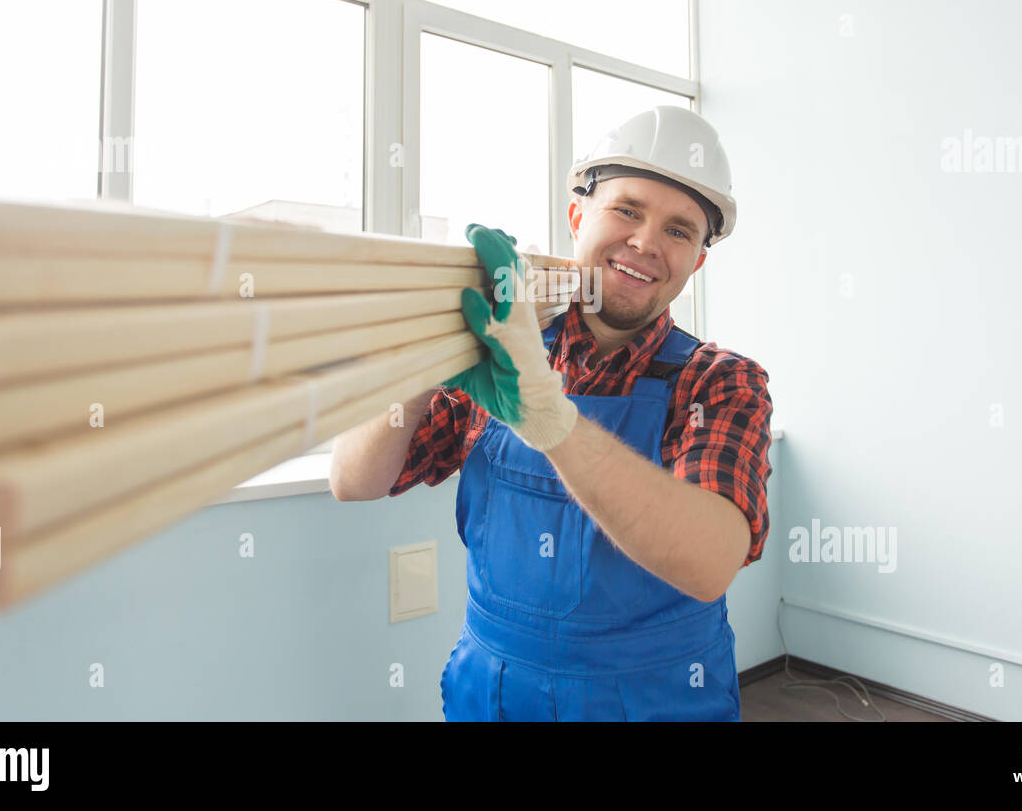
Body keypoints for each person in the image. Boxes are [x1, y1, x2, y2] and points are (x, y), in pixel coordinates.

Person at [330, 105, 773, 721]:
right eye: (627, 209)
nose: (646, 243)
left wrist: (552, 420)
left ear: (697, 260)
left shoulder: (719, 382)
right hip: (495, 694)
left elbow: (708, 562)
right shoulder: (504, 348)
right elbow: (353, 479)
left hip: (657, 700)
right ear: (577, 215)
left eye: (679, 231)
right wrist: (430, 354)